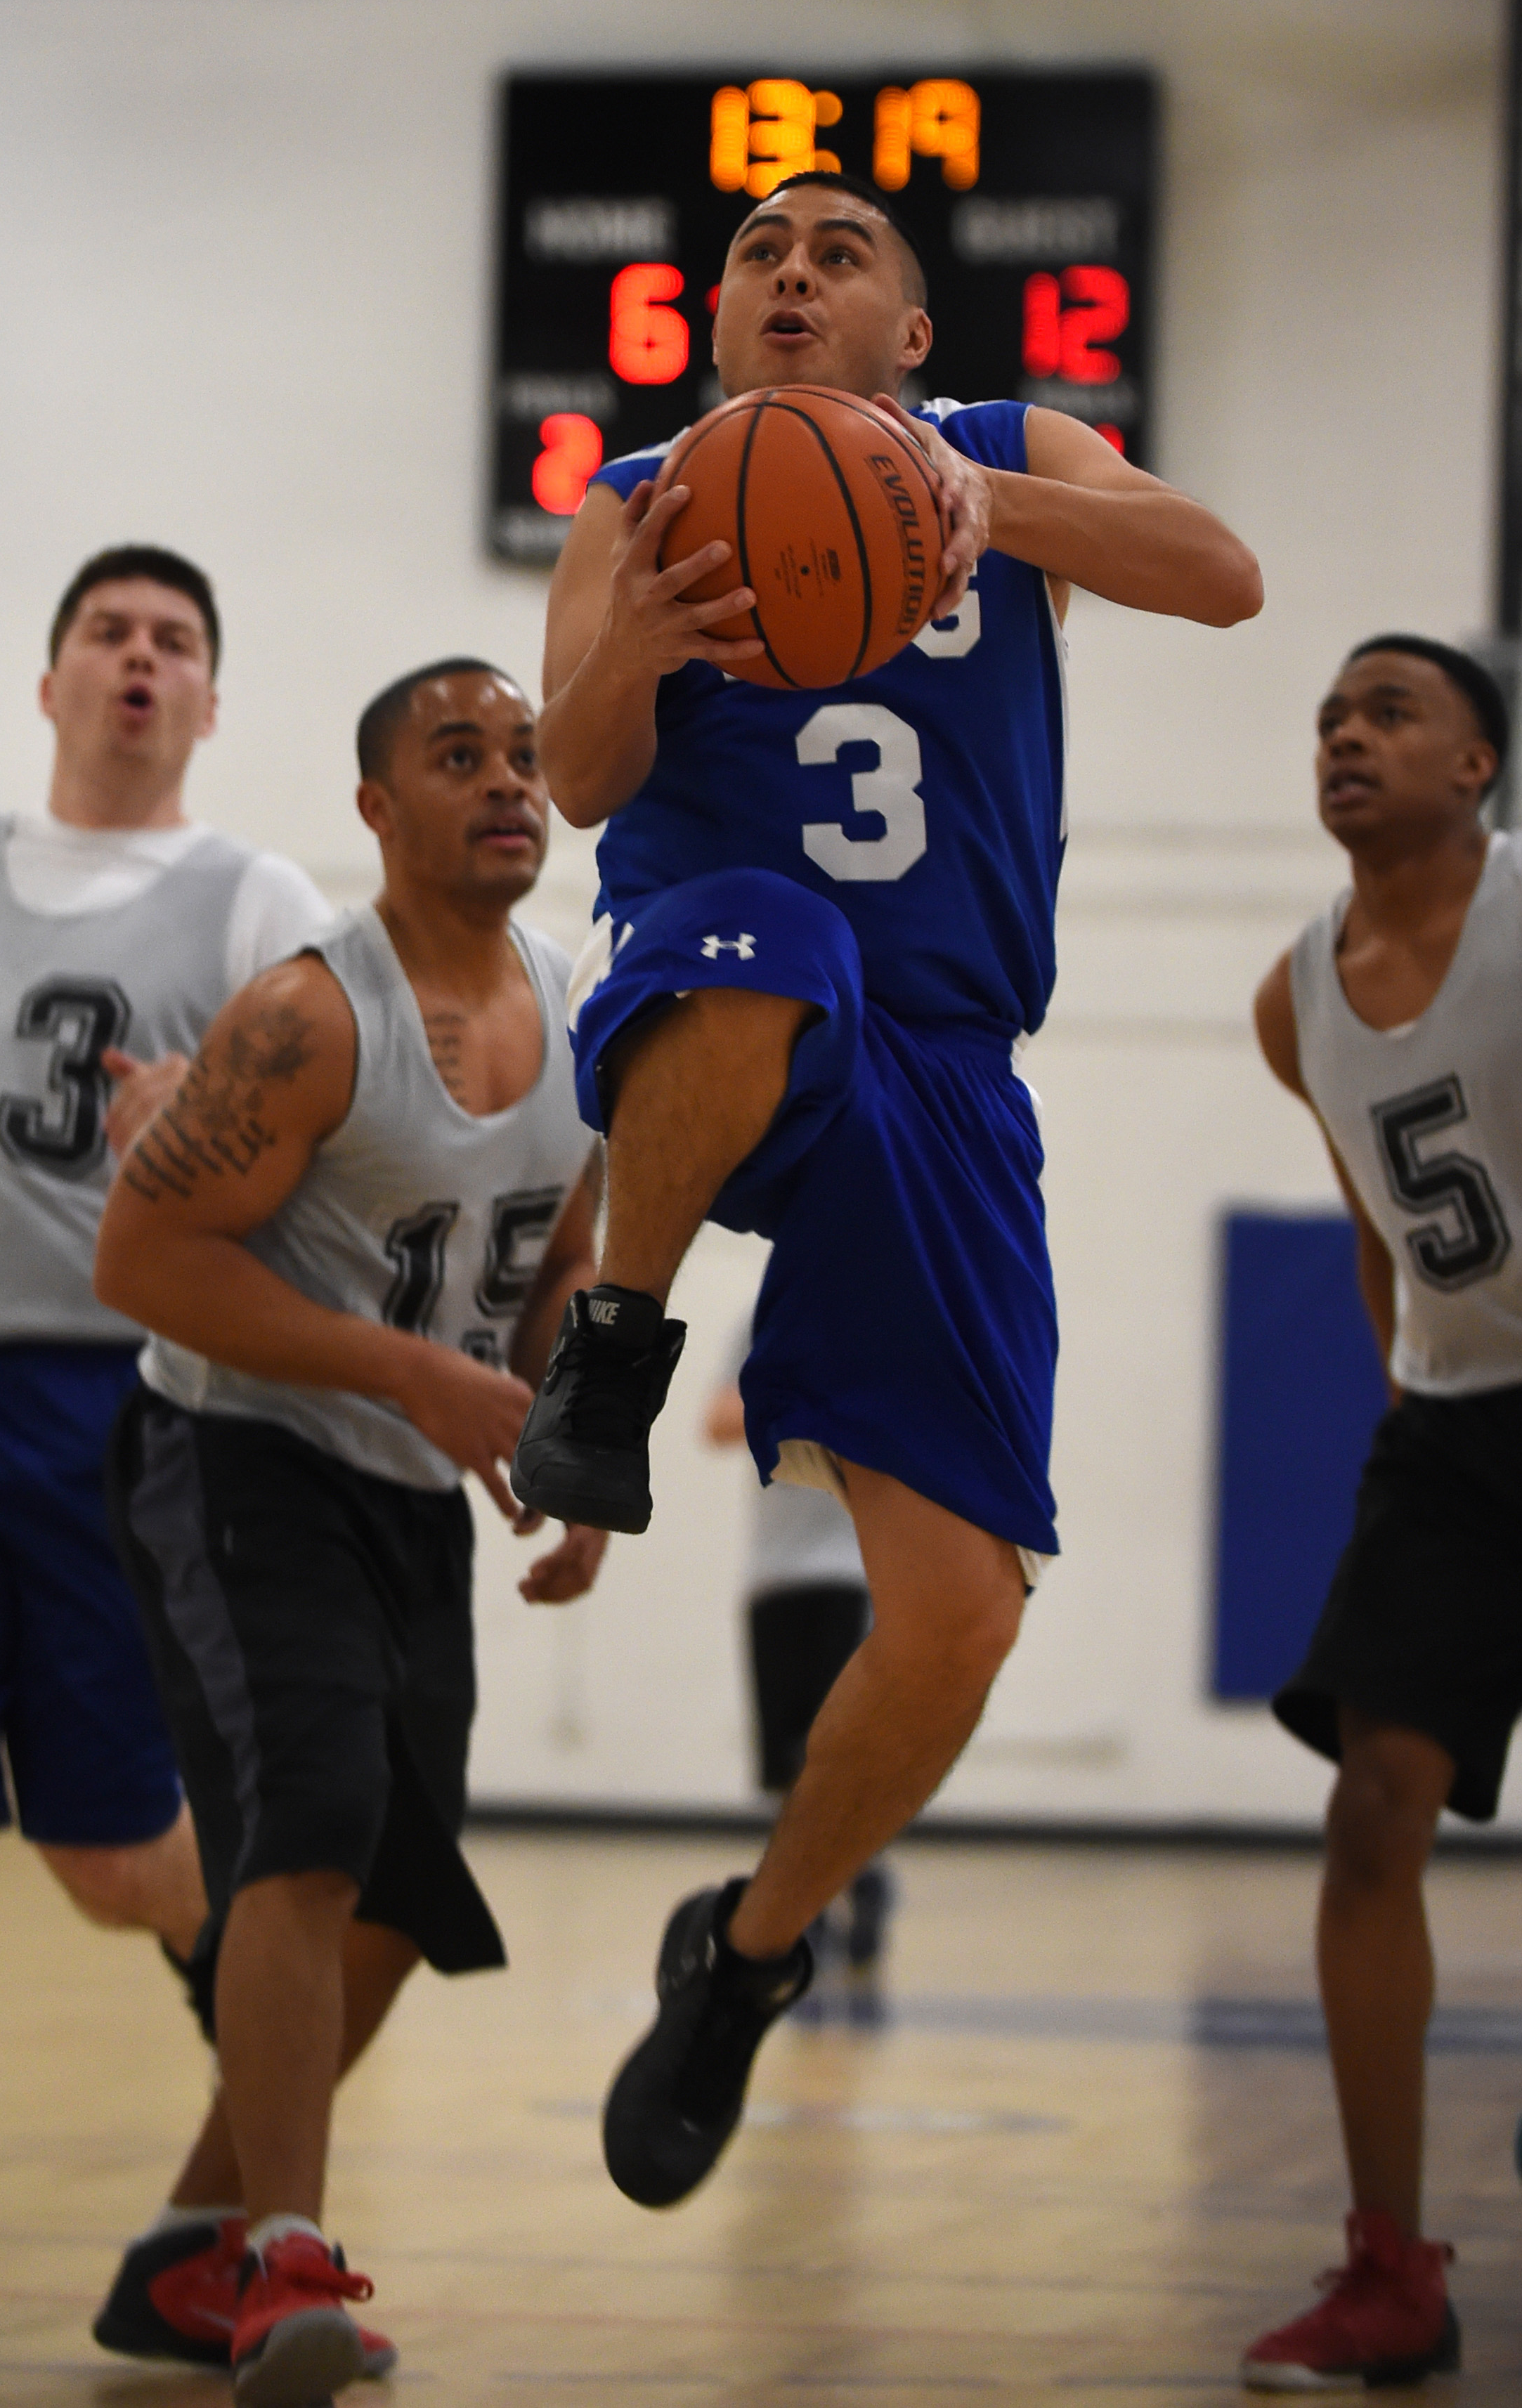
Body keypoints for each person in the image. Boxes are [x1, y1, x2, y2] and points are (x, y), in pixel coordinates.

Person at [508, 166, 1263, 2208]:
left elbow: (1224, 572)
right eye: (757, 250)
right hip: (713, 989)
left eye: (838, 252)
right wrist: (645, 646)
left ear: (910, 335)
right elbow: (575, 781)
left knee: (951, 1623)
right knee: (763, 928)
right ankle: (619, 1346)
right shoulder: (640, 494)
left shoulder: (1006, 450)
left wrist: (978, 508)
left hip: (940, 1062)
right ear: (714, 313)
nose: (790, 269)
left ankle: (749, 1954)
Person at [92, 659, 606, 2407]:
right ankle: (286, 2252)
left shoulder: (581, 1013)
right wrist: (416, 1377)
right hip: (234, 1455)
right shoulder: (312, 1014)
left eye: (526, 757)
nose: (507, 784)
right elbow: (145, 1266)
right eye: (459, 757)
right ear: (378, 809)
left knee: (395, 1892)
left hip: (401, 1489)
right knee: (305, 1834)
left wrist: (579, 1459)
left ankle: (188, 2247)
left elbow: (566, 1274)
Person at [0, 544, 328, 2012]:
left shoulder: (258, 900)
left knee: (110, 1853)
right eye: (109, 632)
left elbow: (349, 1156)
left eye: (173, 640)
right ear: (50, 680)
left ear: (210, 702)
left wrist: (225, 1123)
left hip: (114, 1406)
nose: (139, 657)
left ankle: (269, 2029)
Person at [1241, 634, 1519, 2390]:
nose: (1347, 734)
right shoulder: (1292, 999)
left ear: (1477, 766)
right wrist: (1402, 1386)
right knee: (1369, 1812)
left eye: (1388, 710)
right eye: (1330, 716)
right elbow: (1374, 1222)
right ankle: (1386, 2270)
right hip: (1460, 1425)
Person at [703, 1325, 891, 1996]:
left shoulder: (878, 1319)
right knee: (782, 1761)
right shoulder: (765, 1319)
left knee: (834, 1751)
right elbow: (720, 1421)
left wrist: (792, 1405)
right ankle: (805, 1910)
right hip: (773, 1573)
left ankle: (861, 1881)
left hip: (850, 1571)